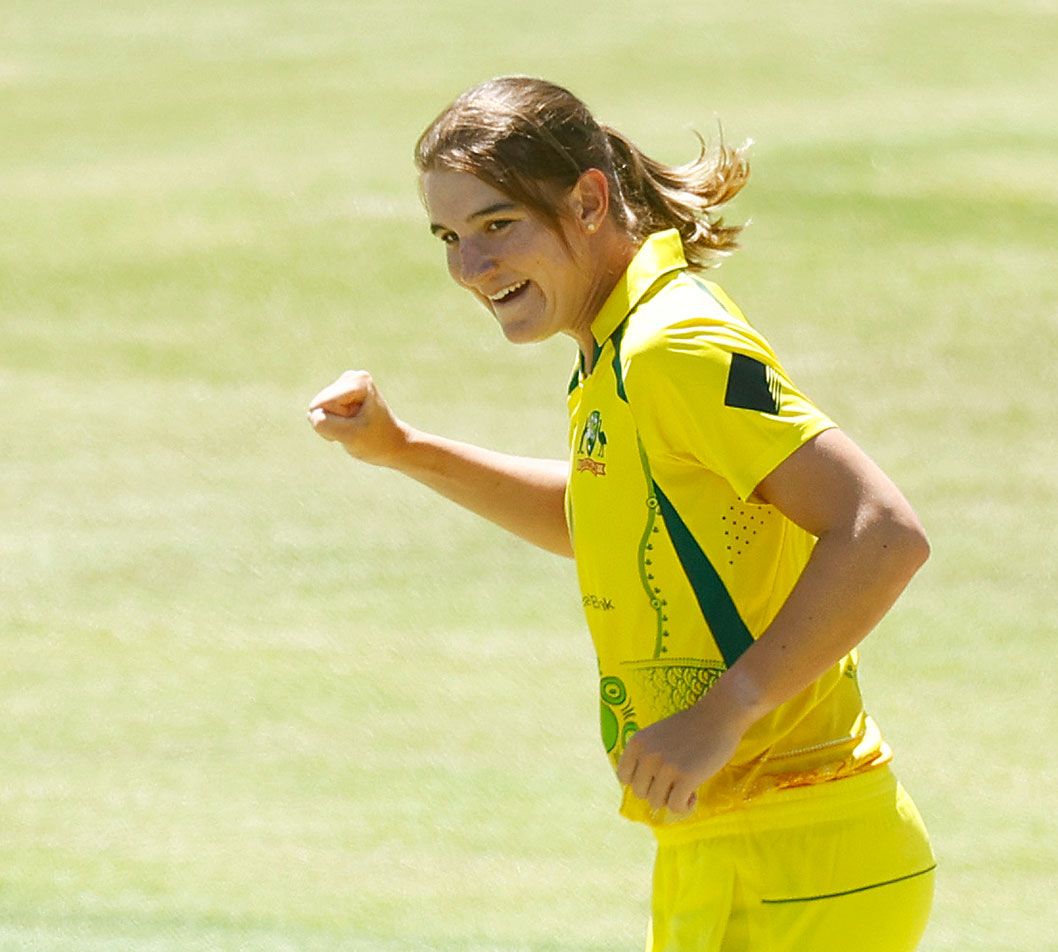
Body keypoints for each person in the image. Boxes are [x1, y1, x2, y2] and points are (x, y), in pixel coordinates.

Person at [307, 76, 935, 951]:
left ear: (590, 200)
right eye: (449, 236)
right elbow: (598, 519)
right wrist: (403, 448)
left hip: (797, 848)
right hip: (736, 844)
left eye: (497, 225)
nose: (471, 267)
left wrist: (728, 711)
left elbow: (881, 531)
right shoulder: (617, 348)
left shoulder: (671, 344)